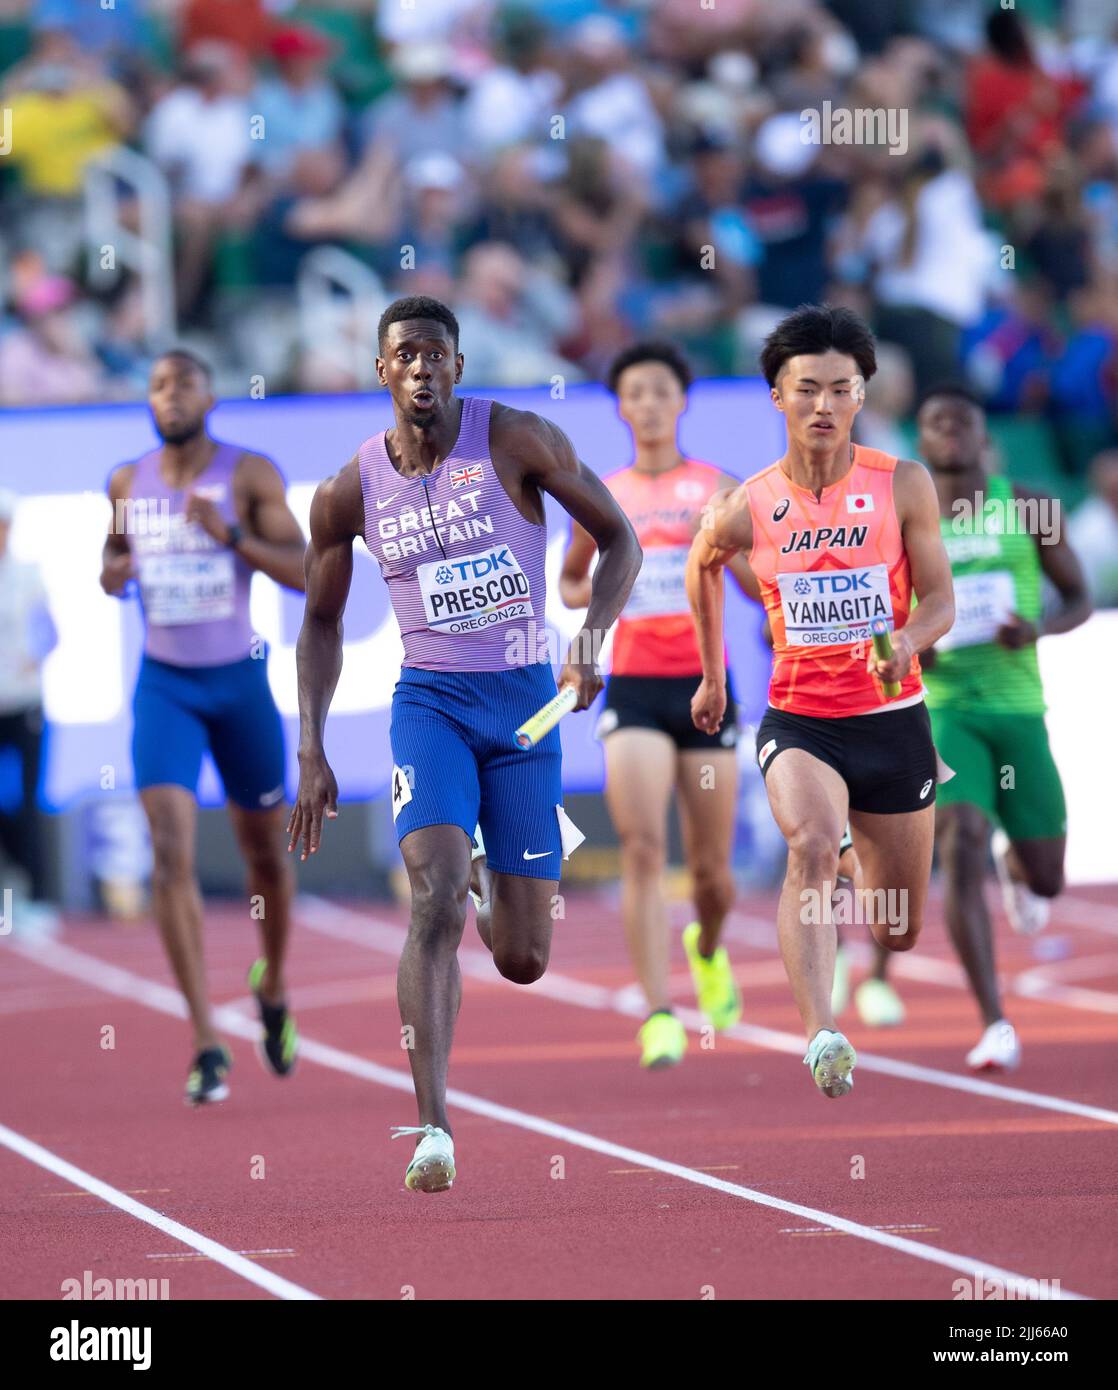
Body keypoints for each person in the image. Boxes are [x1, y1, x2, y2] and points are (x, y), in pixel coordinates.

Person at [289, 295, 640, 1192]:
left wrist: (592, 636)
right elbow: (320, 622)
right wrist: (312, 748)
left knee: (523, 959)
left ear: (456, 367)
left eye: (434, 354)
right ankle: (434, 1124)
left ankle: (492, 862)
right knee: (434, 899)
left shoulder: (516, 438)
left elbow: (619, 539)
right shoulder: (350, 490)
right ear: (381, 371)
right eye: (402, 354)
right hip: (430, 707)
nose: (419, 368)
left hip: (525, 712)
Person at [687, 303, 955, 1099]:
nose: (824, 406)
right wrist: (712, 676)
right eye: (807, 390)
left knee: (896, 930)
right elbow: (704, 563)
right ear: (777, 397)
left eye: (841, 389)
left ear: (863, 396)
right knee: (806, 845)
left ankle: (852, 854)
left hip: (894, 721)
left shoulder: (903, 484)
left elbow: (940, 599)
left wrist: (907, 641)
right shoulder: (750, 503)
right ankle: (820, 1032)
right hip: (801, 719)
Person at [100, 350, 307, 1104]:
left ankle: (274, 982)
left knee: (266, 859)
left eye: (184, 382)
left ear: (210, 394)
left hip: (239, 682)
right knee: (169, 848)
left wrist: (230, 538)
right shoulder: (129, 481)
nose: (170, 395)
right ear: (148, 400)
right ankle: (205, 1040)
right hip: (166, 688)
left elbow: (305, 569)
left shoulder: (249, 475)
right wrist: (112, 571)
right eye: (157, 384)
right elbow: (114, 553)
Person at [866, 384, 1091, 1070]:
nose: (952, 432)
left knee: (1049, 878)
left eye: (963, 421)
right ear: (920, 440)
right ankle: (994, 1020)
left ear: (982, 432)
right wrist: (907, 648)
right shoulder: (901, 518)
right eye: (937, 423)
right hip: (944, 706)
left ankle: (1019, 868)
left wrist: (1040, 627)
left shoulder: (1030, 506)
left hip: (1020, 710)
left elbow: (1080, 597)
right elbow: (880, 622)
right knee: (959, 837)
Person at [559, 341, 750, 1068]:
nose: (646, 404)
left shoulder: (717, 488)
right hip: (635, 688)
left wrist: (744, 579)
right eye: (633, 392)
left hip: (706, 689)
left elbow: (758, 579)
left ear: (682, 401)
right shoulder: (604, 496)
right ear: (620, 406)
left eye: (659, 391)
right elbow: (573, 584)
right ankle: (659, 1012)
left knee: (713, 875)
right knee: (642, 850)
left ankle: (707, 947)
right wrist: (616, 589)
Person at [0, 489, 58, 928]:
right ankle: (8, 896)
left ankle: (36, 897)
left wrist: (32, 658)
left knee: (29, 803)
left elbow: (50, 632)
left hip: (25, 703)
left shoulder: (28, 574)